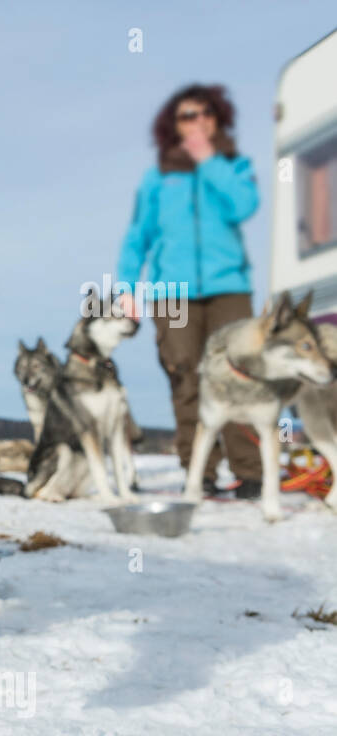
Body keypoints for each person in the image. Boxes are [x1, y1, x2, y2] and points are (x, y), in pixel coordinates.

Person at [115, 84, 261, 498]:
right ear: (173, 126)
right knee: (185, 376)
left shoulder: (234, 164)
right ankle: (201, 472)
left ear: (216, 119)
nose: (196, 122)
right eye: (186, 116)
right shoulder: (157, 178)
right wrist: (127, 288)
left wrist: (209, 161)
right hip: (171, 293)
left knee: (241, 375)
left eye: (203, 114)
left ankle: (251, 473)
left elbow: (243, 206)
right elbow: (137, 237)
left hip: (229, 288)